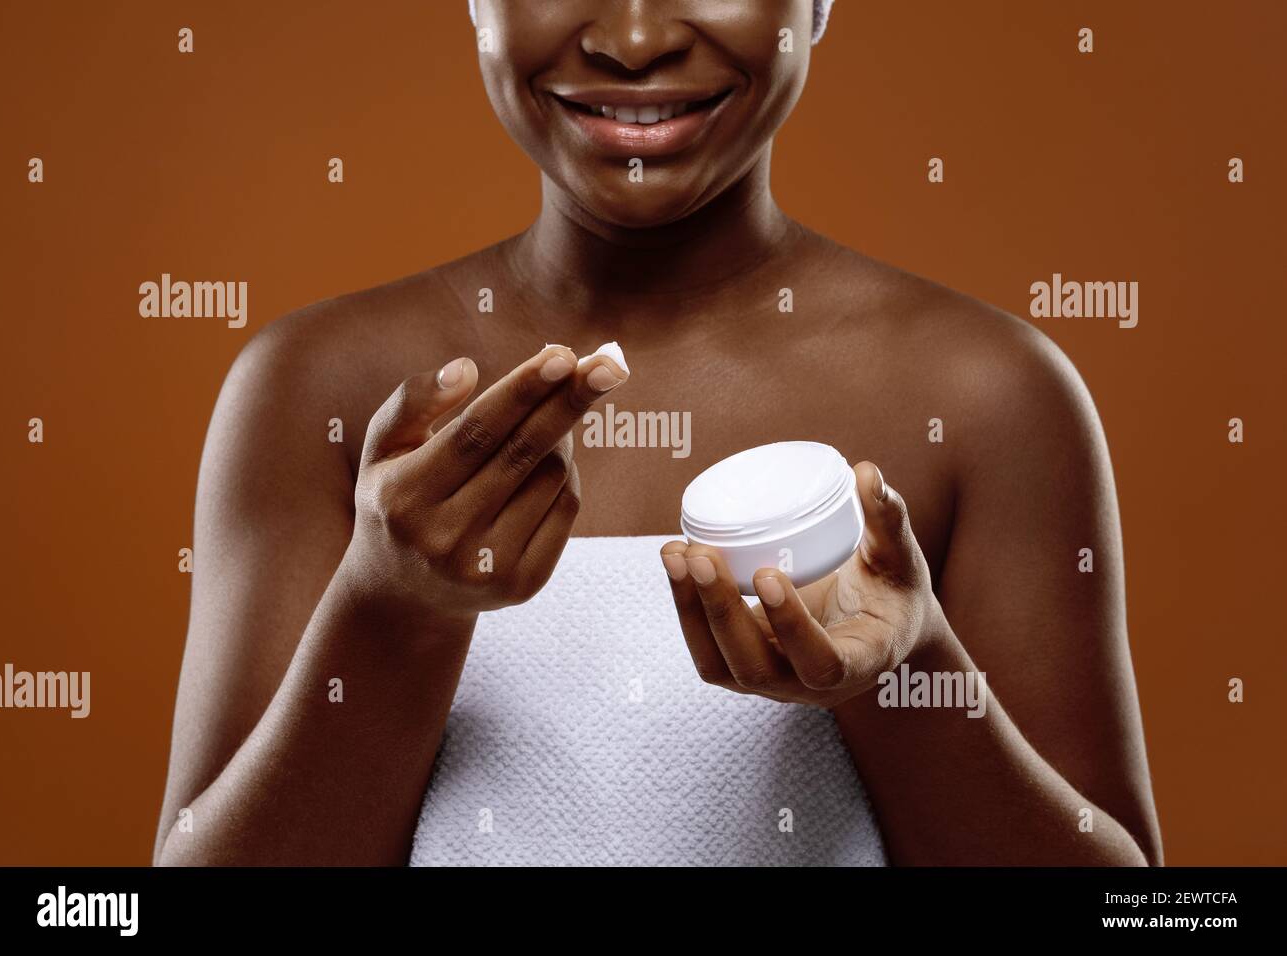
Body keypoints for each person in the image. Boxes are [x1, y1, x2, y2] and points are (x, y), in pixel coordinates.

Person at [154, 0, 1162, 865]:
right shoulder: (318, 389)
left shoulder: (986, 394)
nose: (633, 38)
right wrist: (389, 609)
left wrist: (903, 673)